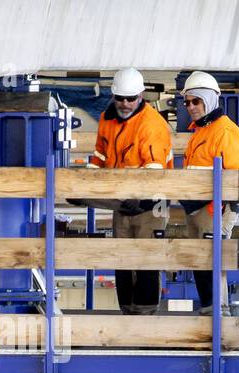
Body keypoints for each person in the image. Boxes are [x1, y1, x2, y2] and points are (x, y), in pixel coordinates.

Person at [86, 67, 172, 314]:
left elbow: (154, 170)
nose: (125, 104)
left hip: (150, 204)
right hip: (121, 202)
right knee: (122, 257)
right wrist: (86, 183)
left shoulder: (152, 125)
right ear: (113, 96)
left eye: (130, 98)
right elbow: (101, 154)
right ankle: (126, 311)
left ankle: (144, 315)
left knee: (146, 257)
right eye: (120, 98)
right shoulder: (107, 118)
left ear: (141, 96)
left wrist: (142, 200)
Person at [179, 71, 239, 312]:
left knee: (212, 262)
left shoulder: (224, 131)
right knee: (200, 262)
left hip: (214, 209)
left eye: (196, 101)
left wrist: (222, 209)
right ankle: (211, 311)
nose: (191, 107)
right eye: (187, 102)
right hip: (196, 209)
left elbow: (235, 176)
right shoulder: (200, 131)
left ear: (209, 99)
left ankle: (219, 316)